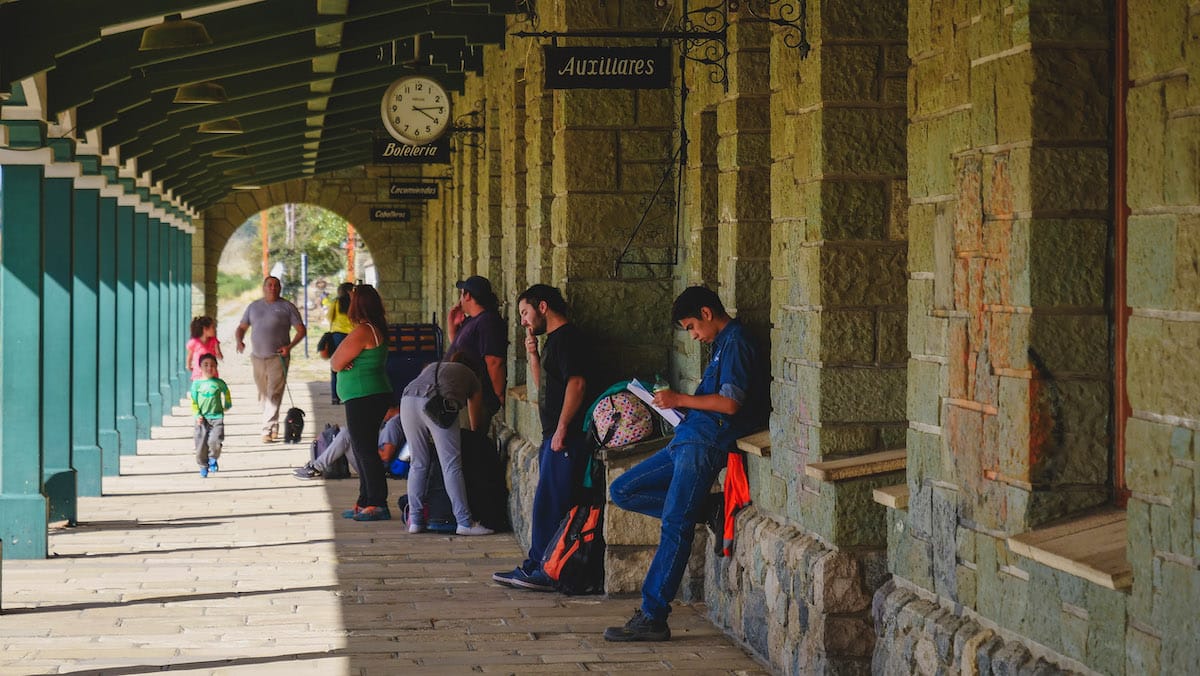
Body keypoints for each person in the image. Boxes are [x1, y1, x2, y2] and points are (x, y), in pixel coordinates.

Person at [603, 286, 767, 642]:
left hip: (704, 443)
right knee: (623, 490)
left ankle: (653, 615)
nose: (692, 335)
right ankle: (709, 507)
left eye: (691, 326)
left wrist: (680, 399)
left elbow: (730, 404)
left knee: (675, 525)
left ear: (707, 313)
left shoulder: (737, 342)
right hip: (686, 439)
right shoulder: (721, 344)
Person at [492, 284, 591, 590]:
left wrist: (562, 429)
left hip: (566, 436)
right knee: (547, 502)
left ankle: (544, 570)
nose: (523, 320)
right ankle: (538, 564)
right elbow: (545, 387)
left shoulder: (568, 339)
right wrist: (533, 355)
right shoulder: (552, 342)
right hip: (554, 435)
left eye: (525, 312)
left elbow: (577, 385)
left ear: (543, 307)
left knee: (551, 504)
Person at [400, 351, 494, 536]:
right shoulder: (472, 377)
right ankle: (464, 522)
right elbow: (475, 418)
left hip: (407, 399)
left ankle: (416, 521)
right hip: (436, 404)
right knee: (451, 465)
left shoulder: (435, 366)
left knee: (418, 463)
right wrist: (477, 438)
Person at [331, 284, 394, 521]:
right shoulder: (374, 328)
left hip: (364, 396)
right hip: (370, 394)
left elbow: (335, 362)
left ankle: (377, 503)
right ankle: (365, 500)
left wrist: (345, 361)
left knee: (365, 450)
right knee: (361, 448)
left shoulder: (364, 331)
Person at [235, 276, 306, 443]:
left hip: (278, 358)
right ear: (263, 287)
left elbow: (301, 330)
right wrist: (239, 340)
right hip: (257, 358)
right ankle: (273, 426)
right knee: (263, 394)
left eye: (276, 285)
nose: (272, 288)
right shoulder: (253, 307)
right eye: (269, 285)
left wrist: (289, 347)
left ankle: (266, 429)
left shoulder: (287, 307)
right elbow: (242, 327)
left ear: (280, 288)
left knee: (274, 393)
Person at [447, 275, 508, 433]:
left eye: (462, 294)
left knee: (468, 440)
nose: (460, 299)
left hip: (474, 399)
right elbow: (461, 353)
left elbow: (494, 361)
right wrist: (452, 326)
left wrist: (499, 394)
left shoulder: (487, 321)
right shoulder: (472, 321)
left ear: (467, 295)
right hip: (460, 397)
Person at [294, 407, 403, 480]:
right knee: (345, 431)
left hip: (376, 469)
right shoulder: (395, 420)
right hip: (372, 464)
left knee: (347, 434)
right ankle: (316, 464)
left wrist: (365, 444)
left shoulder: (392, 425)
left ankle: (315, 467)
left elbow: (386, 456)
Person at [190, 353, 232, 478]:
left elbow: (226, 392)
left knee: (215, 441)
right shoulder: (196, 384)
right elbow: (194, 401)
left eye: (213, 365)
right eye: (206, 365)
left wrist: (227, 404)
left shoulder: (219, 383)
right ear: (200, 367)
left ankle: (213, 458)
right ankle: (203, 465)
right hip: (202, 419)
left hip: (217, 416)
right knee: (200, 444)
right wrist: (197, 414)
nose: (209, 368)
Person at [325, 282, 355, 405]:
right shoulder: (354, 302)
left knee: (336, 365)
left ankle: (335, 397)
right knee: (351, 365)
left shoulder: (336, 302)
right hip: (353, 335)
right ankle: (348, 395)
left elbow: (329, 317)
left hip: (337, 336)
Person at [185, 315, 224, 380]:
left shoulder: (214, 341)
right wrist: (188, 366)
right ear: (205, 329)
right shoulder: (194, 342)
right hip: (199, 374)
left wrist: (219, 355)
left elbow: (218, 353)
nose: (215, 330)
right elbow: (190, 356)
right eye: (213, 327)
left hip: (212, 373)